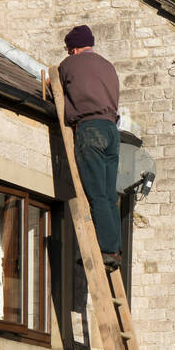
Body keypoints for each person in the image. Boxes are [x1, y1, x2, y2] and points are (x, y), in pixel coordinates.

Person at [58, 24, 122, 270]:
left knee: (95, 194)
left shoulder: (69, 65)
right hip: (111, 132)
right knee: (108, 194)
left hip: (90, 129)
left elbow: (59, 91)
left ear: (73, 49)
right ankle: (115, 249)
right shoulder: (108, 66)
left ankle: (105, 249)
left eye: (67, 49)